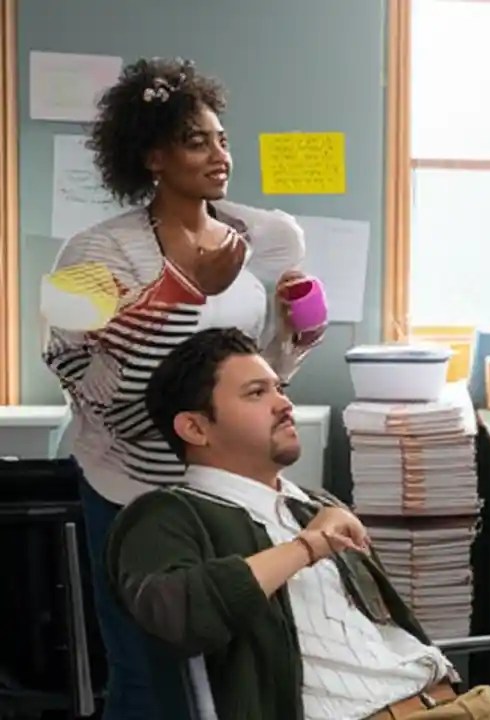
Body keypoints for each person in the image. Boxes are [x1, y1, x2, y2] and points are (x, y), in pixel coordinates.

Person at [108, 328, 490, 720]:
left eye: (280, 388)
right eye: (256, 393)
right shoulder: (168, 515)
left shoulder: (308, 503)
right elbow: (178, 612)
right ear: (195, 428)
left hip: (470, 704)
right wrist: (307, 545)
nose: (283, 404)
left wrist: (312, 529)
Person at [41, 57, 324, 719]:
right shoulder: (89, 256)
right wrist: (180, 294)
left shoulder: (269, 236)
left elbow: (263, 371)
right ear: (153, 157)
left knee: (238, 665)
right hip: (128, 486)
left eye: (222, 138)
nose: (219, 154)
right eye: (197, 142)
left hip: (226, 486)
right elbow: (85, 385)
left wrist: (296, 335)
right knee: (147, 674)